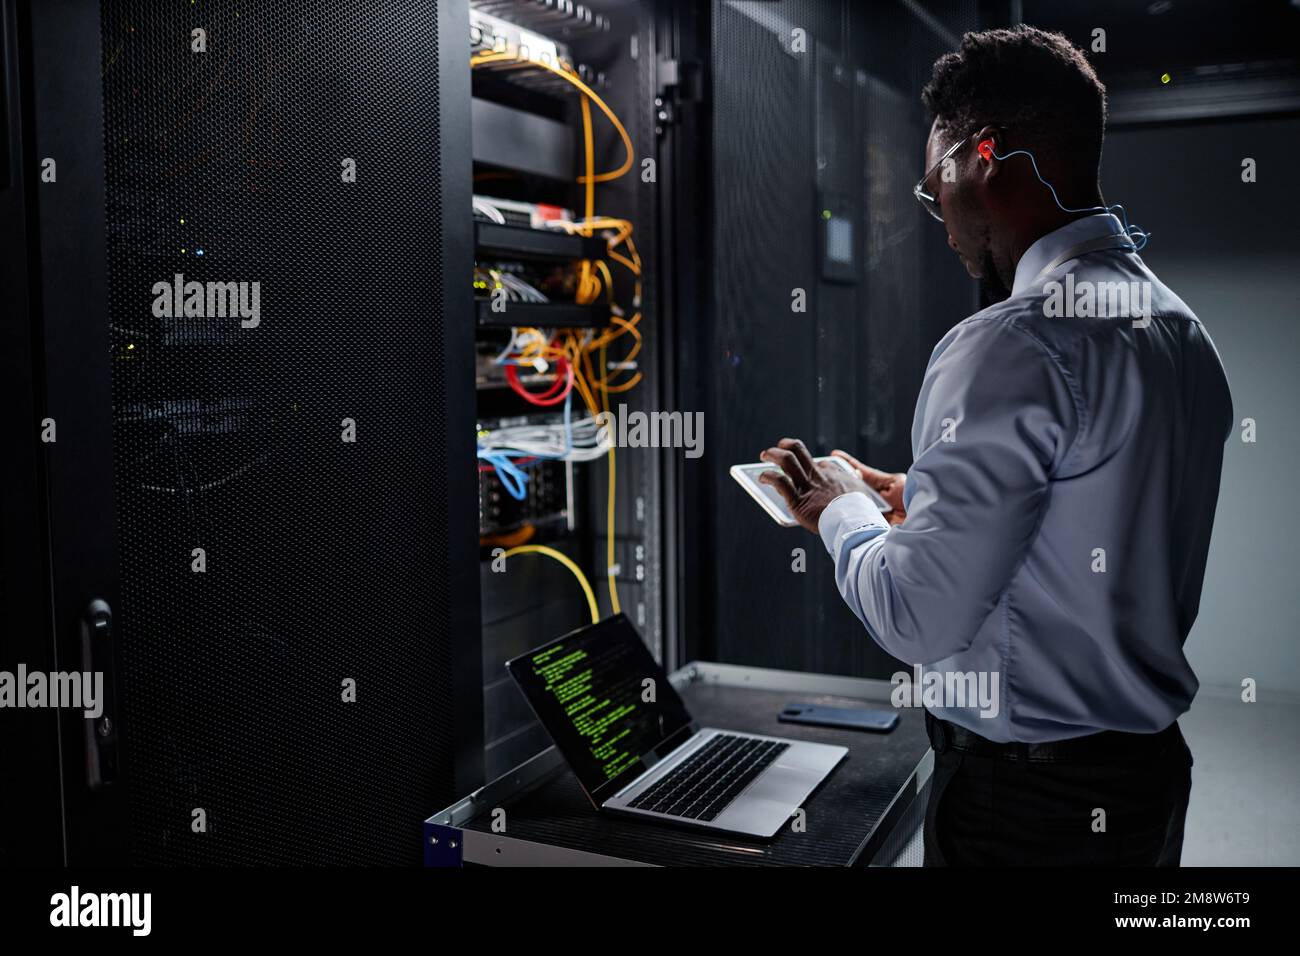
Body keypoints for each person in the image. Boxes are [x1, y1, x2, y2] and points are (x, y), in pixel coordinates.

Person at [758, 25, 1233, 866]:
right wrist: (917, 494)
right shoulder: (1181, 330)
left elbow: (918, 616)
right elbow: (1086, 503)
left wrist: (843, 513)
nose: (936, 210)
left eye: (931, 180)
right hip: (1143, 786)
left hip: (1027, 813)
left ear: (982, 156)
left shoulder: (1012, 340)